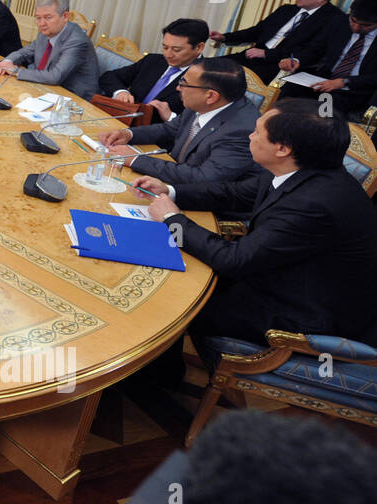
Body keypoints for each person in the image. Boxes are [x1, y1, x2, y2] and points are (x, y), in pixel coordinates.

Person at [136, 100, 377, 354]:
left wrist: (173, 220)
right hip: (274, 277)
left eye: (258, 132)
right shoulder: (304, 168)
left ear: (282, 148)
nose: (250, 136)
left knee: (165, 303)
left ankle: (154, 385)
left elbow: (234, 260)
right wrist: (171, 191)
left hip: (301, 312)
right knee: (171, 275)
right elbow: (235, 193)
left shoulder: (314, 203)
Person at [98, 58, 258, 185]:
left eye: (184, 84)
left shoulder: (242, 130)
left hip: (204, 204)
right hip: (173, 178)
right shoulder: (203, 103)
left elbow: (204, 178)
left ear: (210, 96)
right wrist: (128, 134)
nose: (178, 88)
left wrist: (136, 159)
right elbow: (169, 129)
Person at [210, 0, 343, 84]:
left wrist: (266, 54)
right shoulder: (287, 10)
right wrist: (225, 37)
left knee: (224, 82)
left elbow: (312, 51)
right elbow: (257, 31)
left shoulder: (333, 20)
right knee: (204, 68)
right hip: (252, 56)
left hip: (279, 67)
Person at [277, 0, 377, 116]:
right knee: (290, 89)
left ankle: (312, 134)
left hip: (354, 89)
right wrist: (298, 60)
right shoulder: (340, 22)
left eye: (365, 25)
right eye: (353, 21)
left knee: (328, 104)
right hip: (325, 78)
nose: (356, 28)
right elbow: (316, 48)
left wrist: (345, 81)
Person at [99, 18, 209, 122]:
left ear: (199, 48)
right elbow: (109, 77)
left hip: (155, 136)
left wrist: (171, 117)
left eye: (176, 50)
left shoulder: (206, 78)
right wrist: (121, 92)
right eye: (165, 47)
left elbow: (199, 124)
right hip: (120, 119)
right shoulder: (153, 61)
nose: (168, 54)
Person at [0, 0, 100, 99]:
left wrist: (17, 72)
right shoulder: (47, 31)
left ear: (65, 16)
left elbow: (55, 76)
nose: (41, 23)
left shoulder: (77, 40)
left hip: (74, 100)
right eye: (38, 18)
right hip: (46, 89)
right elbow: (24, 52)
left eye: (48, 17)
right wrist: (7, 62)